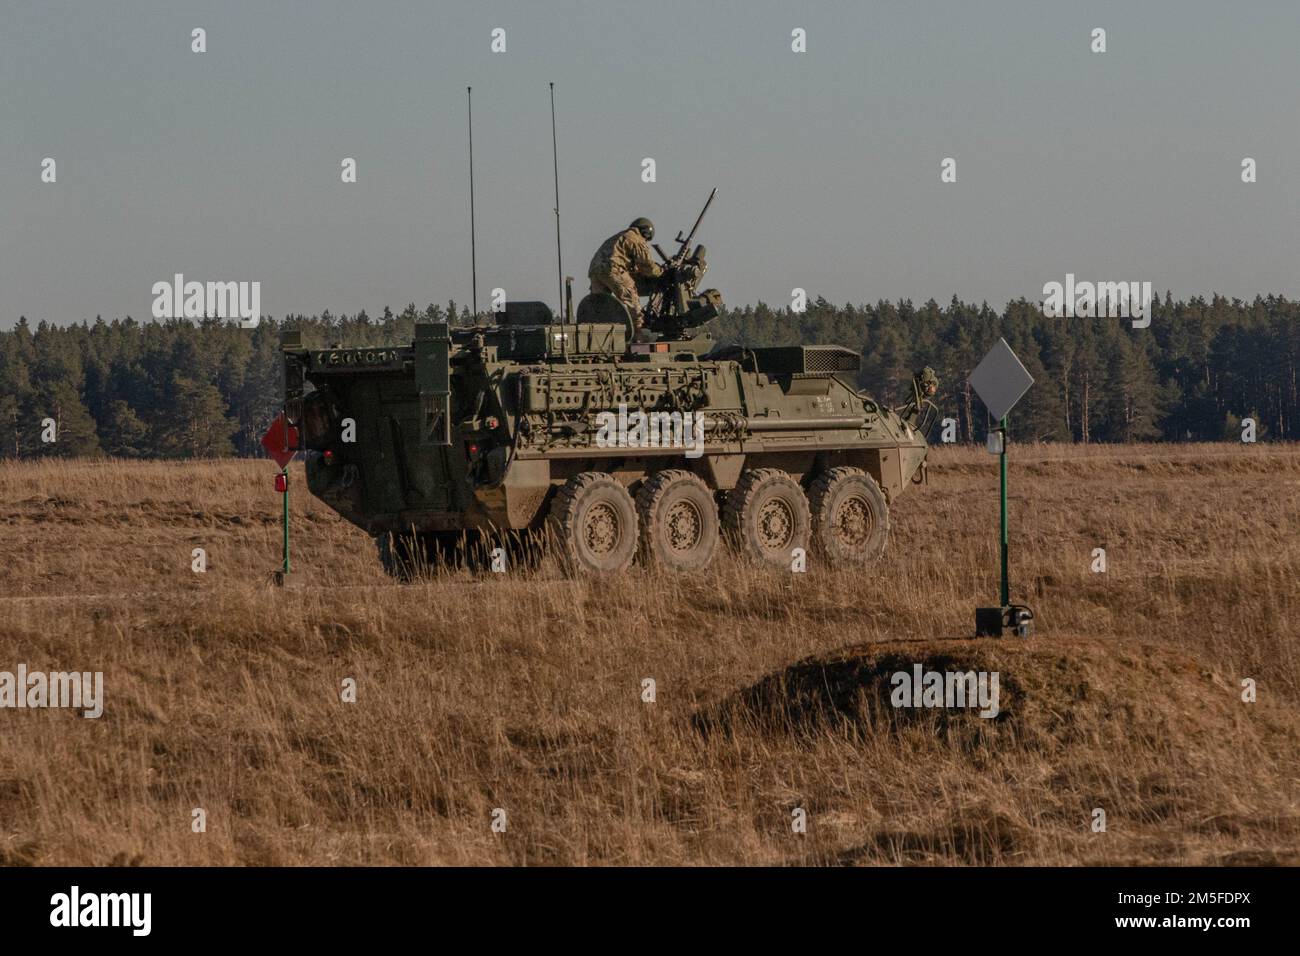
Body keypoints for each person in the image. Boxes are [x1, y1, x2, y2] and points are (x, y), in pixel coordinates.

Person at [588, 218, 663, 335]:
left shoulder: (619, 237)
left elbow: (628, 261)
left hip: (595, 271)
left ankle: (597, 333)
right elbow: (646, 265)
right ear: (645, 232)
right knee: (631, 297)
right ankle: (638, 332)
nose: (645, 241)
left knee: (599, 306)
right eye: (647, 239)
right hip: (612, 269)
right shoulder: (635, 238)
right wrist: (661, 271)